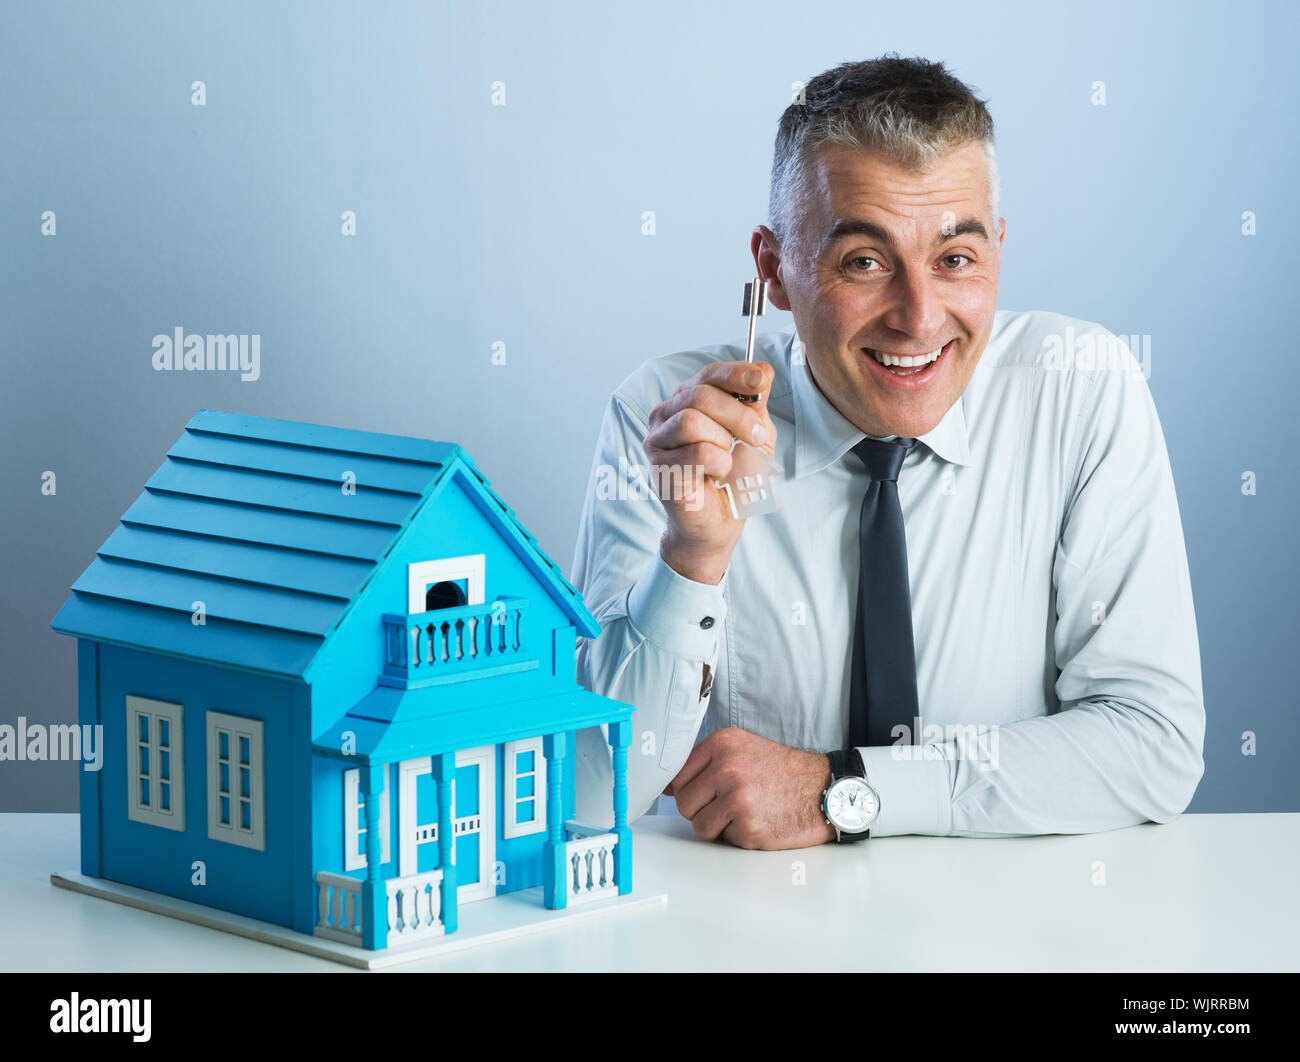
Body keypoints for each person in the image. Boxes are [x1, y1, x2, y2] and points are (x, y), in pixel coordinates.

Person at [569, 54, 1205, 849]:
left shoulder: (1080, 391)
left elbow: (1152, 744)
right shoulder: (665, 422)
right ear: (775, 270)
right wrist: (691, 558)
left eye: (955, 259)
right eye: (864, 262)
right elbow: (586, 798)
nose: (918, 315)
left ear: (997, 252)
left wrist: (842, 789)